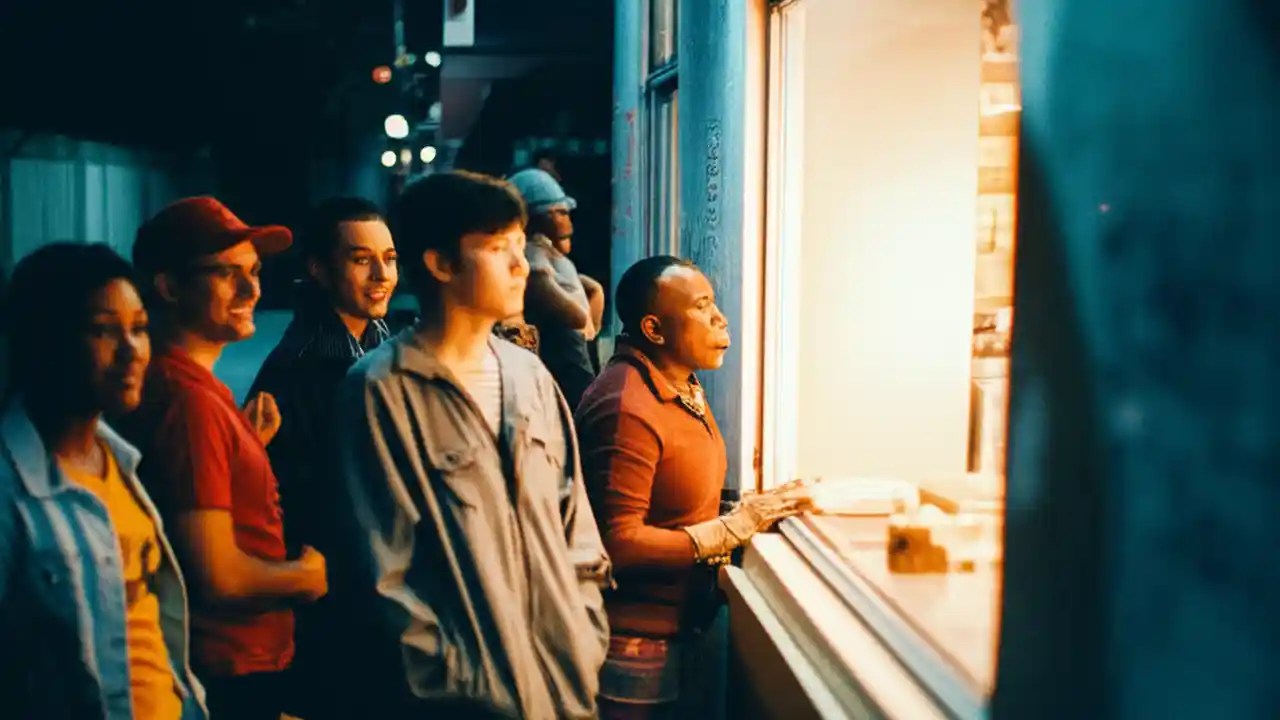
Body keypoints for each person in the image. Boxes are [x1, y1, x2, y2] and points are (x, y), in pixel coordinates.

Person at [329, 170, 611, 719]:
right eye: (498, 247)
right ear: (440, 263)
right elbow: (381, 575)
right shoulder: (381, 389)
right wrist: (455, 683)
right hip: (461, 704)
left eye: (518, 246)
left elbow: (576, 525)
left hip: (564, 692)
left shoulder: (530, 376)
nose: (520, 265)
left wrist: (583, 634)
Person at [575, 256, 811, 718]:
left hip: (677, 632)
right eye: (702, 307)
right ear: (655, 329)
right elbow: (616, 542)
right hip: (633, 646)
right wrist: (732, 529)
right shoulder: (627, 403)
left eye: (714, 303)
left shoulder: (675, 385)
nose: (720, 318)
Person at [121, 197, 328, 720]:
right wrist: (306, 576)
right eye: (226, 273)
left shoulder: (197, 391)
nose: (252, 289)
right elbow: (218, 574)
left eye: (255, 272)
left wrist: (246, 445)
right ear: (168, 287)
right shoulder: (188, 401)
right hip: (228, 667)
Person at [0, 243, 207, 719]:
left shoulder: (117, 457)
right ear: (45, 342)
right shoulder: (12, 491)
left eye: (139, 329)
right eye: (103, 331)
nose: (132, 351)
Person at [247, 196, 398, 716]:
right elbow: (304, 499)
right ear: (319, 269)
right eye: (361, 259)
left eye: (390, 258)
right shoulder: (301, 367)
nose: (381, 274)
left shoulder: (382, 339)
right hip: (338, 595)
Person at [507, 167, 602, 408]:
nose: (566, 219)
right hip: (564, 354)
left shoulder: (549, 251)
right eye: (558, 212)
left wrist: (591, 292)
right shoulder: (534, 251)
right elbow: (542, 284)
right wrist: (579, 314)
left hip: (576, 351)